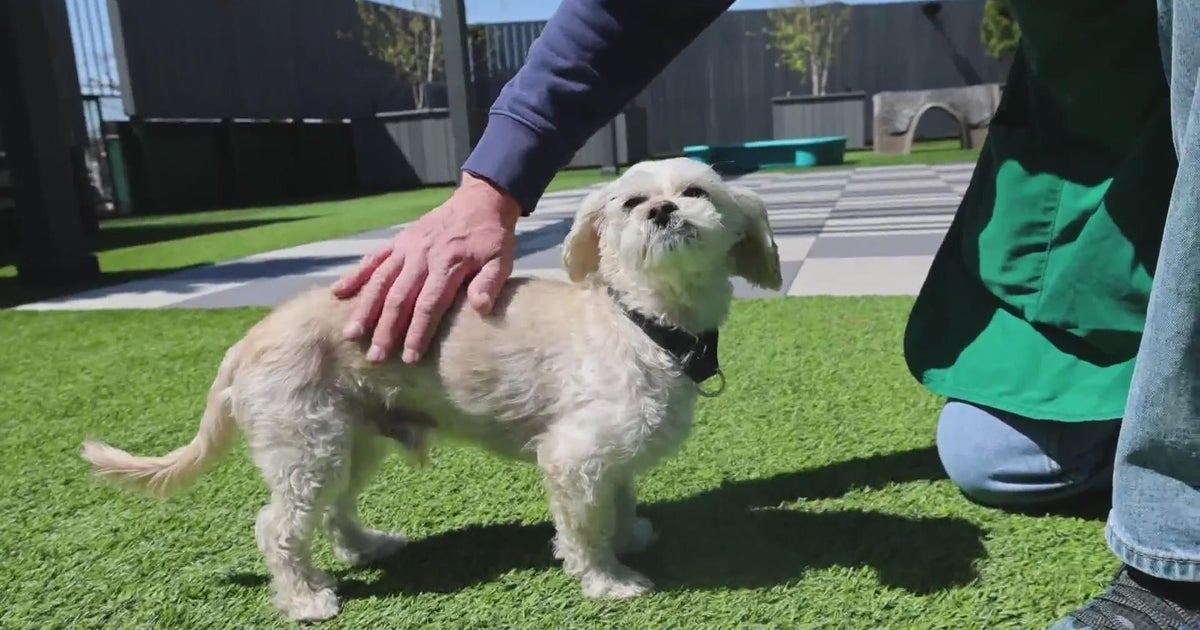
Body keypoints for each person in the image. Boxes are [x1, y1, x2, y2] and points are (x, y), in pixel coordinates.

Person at [331, 0, 1200, 627]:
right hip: (1107, 122)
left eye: (691, 196)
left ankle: (1176, 568)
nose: (666, 212)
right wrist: (495, 180)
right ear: (602, 236)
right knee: (997, 458)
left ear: (744, 228)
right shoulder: (609, 316)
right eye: (641, 206)